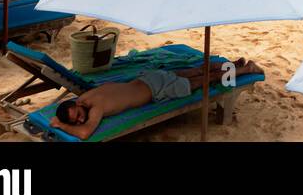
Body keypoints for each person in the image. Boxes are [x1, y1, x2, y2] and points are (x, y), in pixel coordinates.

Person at [50, 59, 265, 140]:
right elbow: (76, 119)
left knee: (207, 80)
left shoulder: (95, 108)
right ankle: (234, 64)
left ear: (78, 105)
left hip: (159, 88)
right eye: (75, 120)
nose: (80, 120)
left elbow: (85, 133)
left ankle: (247, 68)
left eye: (78, 116)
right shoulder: (86, 97)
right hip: (149, 77)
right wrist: (65, 119)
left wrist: (60, 125)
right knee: (198, 70)